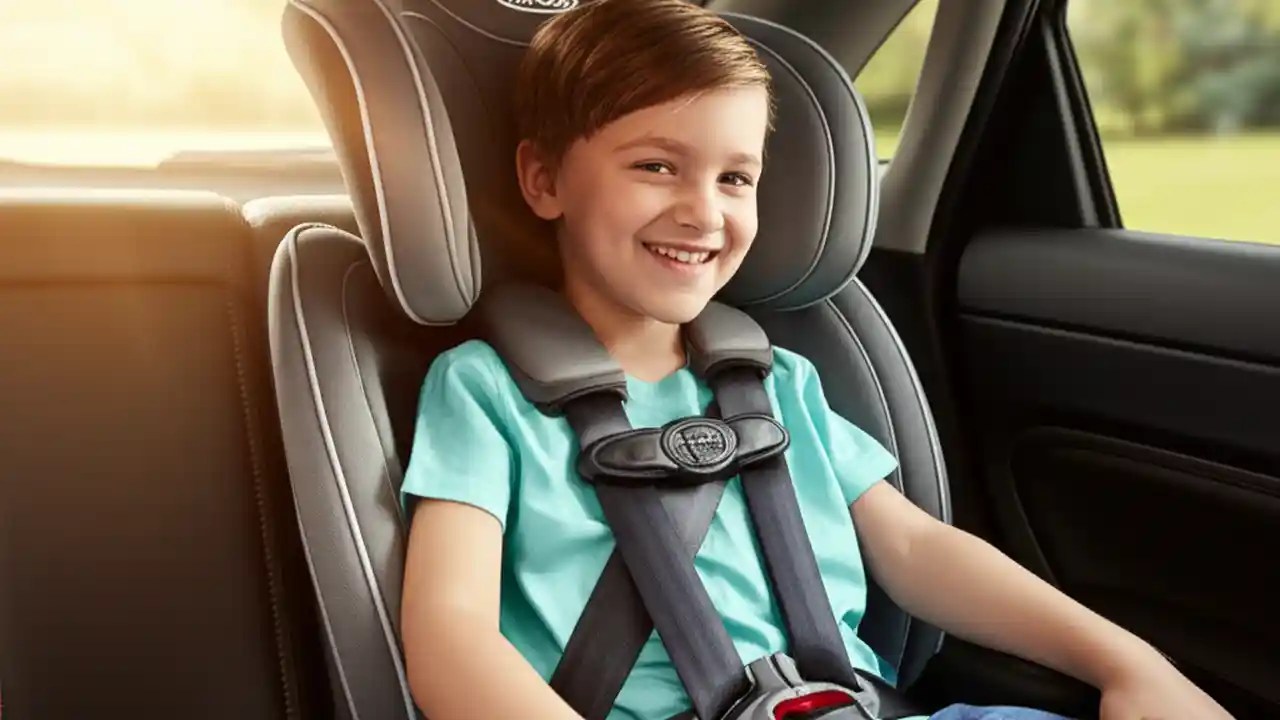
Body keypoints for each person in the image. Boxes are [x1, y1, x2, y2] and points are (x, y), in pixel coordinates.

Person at [397, 1, 1232, 718]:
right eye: (655, 167)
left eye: (735, 178)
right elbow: (450, 637)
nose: (702, 212)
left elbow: (915, 552)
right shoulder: (484, 393)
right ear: (544, 181)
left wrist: (1129, 664)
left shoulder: (776, 382)